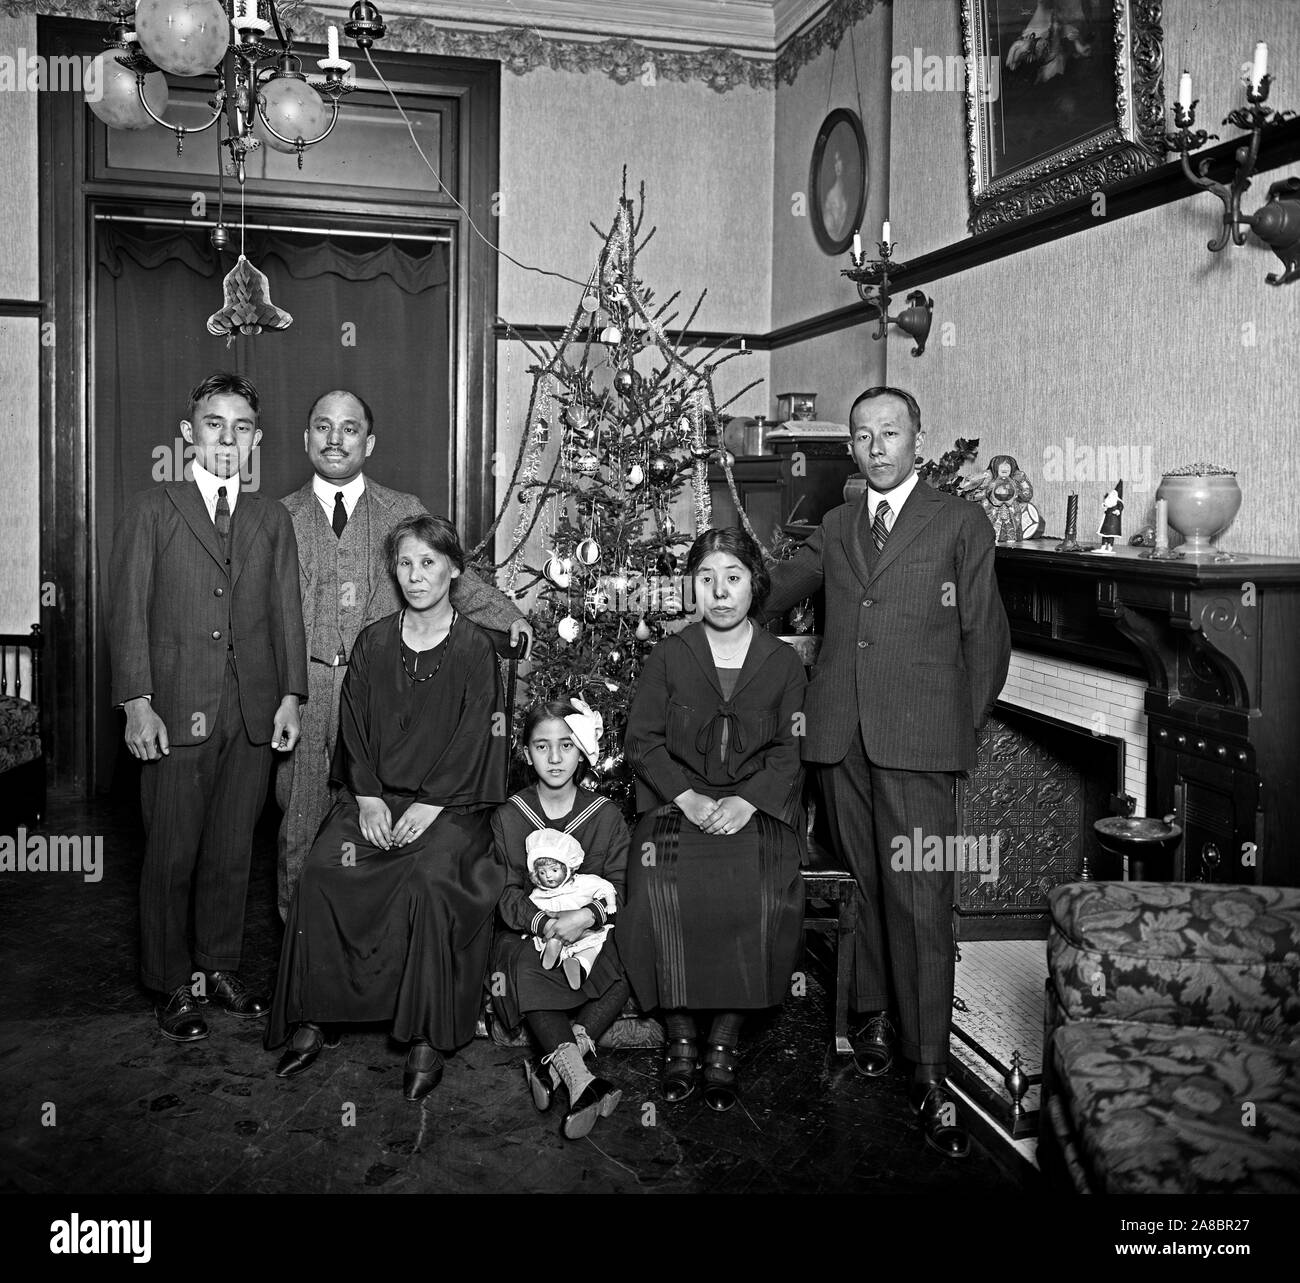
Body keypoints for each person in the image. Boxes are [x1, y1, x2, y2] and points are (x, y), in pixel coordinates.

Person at [764, 386, 1011, 1159]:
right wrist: (711, 583)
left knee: (921, 899)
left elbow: (987, 641)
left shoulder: (960, 521)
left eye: (890, 432)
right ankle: (872, 1015)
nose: (875, 446)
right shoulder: (837, 525)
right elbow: (773, 591)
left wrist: (949, 729)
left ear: (916, 437)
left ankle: (930, 1066)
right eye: (862, 435)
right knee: (867, 887)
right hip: (839, 737)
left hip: (919, 744)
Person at [265, 514, 507, 1100]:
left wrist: (432, 804)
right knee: (324, 871)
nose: (417, 575)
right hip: (374, 797)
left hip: (452, 806)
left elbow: (477, 736)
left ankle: (426, 1031)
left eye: (429, 563)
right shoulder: (374, 640)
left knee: (427, 878)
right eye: (406, 564)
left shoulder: (476, 648)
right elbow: (354, 728)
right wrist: (368, 797)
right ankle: (316, 1013)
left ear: (453, 570)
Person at [276, 389, 532, 921]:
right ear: (306, 440)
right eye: (323, 427)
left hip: (381, 699)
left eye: (349, 429)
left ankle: (374, 949)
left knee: (377, 835)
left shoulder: (403, 509)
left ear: (368, 442)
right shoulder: (278, 519)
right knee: (300, 828)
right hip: (304, 693)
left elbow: (448, 578)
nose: (335, 439)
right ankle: (302, 960)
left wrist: (508, 617)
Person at [107, 372, 307, 1042]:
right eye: (215, 424)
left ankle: (216, 967)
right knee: (171, 852)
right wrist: (138, 703)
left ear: (255, 440)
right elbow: (128, 614)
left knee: (230, 854)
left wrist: (289, 697)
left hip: (249, 713)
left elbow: (288, 614)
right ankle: (169, 982)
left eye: (242, 427)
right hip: (174, 713)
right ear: (190, 434)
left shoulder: (270, 518)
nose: (229, 437)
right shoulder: (152, 508)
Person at [621, 527, 808, 1112]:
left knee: (757, 888)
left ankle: (724, 1040)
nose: (720, 592)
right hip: (680, 805)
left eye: (733, 578)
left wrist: (747, 801)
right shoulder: (670, 654)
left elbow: (790, 748)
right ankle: (680, 1038)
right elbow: (642, 742)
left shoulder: (782, 664)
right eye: (707, 580)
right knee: (657, 882)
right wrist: (689, 799)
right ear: (691, 588)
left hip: (755, 808)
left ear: (755, 584)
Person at [491, 698, 630, 1139]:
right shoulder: (510, 815)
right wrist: (550, 924)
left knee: (633, 953)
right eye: (542, 746)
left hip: (590, 931)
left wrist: (586, 917)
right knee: (521, 962)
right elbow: (507, 892)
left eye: (566, 745)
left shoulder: (605, 814)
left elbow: (623, 888)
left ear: (582, 751)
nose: (555, 758)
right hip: (537, 936)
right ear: (526, 752)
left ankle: (555, 1070)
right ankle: (583, 1080)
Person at [525, 829, 618, 987]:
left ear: (567, 868)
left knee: (593, 945)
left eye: (554, 870)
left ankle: (578, 965)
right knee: (549, 939)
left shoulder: (582, 883)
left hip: (584, 930)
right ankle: (552, 955)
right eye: (542, 872)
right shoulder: (537, 894)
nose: (548, 876)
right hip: (555, 932)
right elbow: (529, 912)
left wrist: (610, 904)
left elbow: (606, 887)